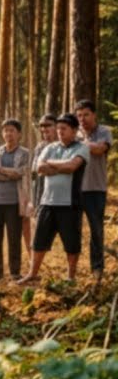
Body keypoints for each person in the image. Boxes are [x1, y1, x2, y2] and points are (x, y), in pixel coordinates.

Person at [20, 113, 88, 284]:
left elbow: (73, 166)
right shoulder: (49, 147)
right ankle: (32, 274)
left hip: (70, 203)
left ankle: (71, 277)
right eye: (58, 128)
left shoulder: (82, 147)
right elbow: (39, 167)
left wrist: (54, 164)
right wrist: (61, 165)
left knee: (71, 242)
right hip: (47, 202)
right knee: (39, 240)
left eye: (64, 129)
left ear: (74, 130)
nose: (60, 132)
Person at [0, 119, 31, 279]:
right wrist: (5, 173)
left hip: (14, 201)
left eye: (11, 130)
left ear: (19, 134)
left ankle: (15, 271)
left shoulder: (24, 153)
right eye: (5, 131)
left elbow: (20, 173)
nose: (8, 134)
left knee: (14, 237)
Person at [75, 100, 111, 277]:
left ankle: (97, 268)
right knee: (72, 229)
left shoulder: (104, 131)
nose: (82, 119)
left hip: (96, 188)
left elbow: (99, 149)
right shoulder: (74, 132)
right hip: (75, 189)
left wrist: (80, 144)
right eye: (79, 115)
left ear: (94, 114)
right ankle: (71, 269)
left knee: (96, 229)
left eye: (86, 114)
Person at [28, 114, 58, 251]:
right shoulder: (39, 147)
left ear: (56, 126)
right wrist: (32, 200)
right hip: (40, 193)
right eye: (42, 126)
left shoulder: (62, 146)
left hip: (59, 195)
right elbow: (34, 172)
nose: (44, 128)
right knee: (38, 228)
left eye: (48, 125)